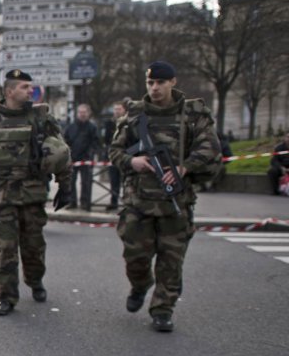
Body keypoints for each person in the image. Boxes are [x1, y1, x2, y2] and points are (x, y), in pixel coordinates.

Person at [109, 61, 220, 332]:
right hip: (138, 203)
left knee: (171, 261)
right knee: (135, 257)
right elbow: (114, 150)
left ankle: (163, 309)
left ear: (173, 82)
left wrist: (185, 168)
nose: (155, 88)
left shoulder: (192, 115)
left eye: (160, 82)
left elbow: (210, 148)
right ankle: (139, 284)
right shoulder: (135, 114)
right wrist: (130, 161)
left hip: (176, 203)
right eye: (150, 83)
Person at [0, 69, 72, 316]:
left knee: (34, 247)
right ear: (9, 91)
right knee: (6, 249)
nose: (30, 91)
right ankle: (6, 296)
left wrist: (66, 185)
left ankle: (35, 280)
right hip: (2, 198)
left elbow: (61, 152)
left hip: (32, 196)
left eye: (30, 86)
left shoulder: (41, 119)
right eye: (24, 87)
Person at [63, 104, 101, 210]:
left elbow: (95, 143)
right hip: (73, 158)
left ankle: (85, 202)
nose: (82, 114)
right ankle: (72, 202)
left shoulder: (92, 127)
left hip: (86, 159)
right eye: (80, 112)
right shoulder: (71, 127)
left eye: (84, 112)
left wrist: (90, 155)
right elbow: (66, 141)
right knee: (71, 182)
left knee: (86, 182)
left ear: (88, 113)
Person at [102, 101, 127, 210]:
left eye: (119, 109)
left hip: (125, 155)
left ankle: (127, 202)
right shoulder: (109, 123)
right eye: (115, 109)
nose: (117, 111)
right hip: (112, 155)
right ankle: (114, 201)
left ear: (124, 110)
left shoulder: (128, 122)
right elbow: (106, 139)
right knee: (114, 180)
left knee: (126, 181)